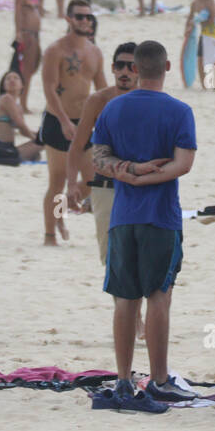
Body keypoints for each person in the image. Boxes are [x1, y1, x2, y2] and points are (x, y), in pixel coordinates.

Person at [91, 40, 197, 409]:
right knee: (158, 297)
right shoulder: (179, 111)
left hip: (123, 216)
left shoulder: (113, 108)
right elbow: (183, 164)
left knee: (124, 300)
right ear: (167, 66)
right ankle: (160, 378)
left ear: (134, 68)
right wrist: (145, 175)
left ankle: (123, 379)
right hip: (160, 216)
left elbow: (99, 157)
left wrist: (130, 174)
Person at [38, 0, 107, 245]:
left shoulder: (95, 52)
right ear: (68, 19)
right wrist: (65, 121)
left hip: (85, 122)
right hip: (58, 121)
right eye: (79, 16)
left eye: (88, 16)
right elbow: (49, 89)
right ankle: (49, 236)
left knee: (91, 182)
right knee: (56, 181)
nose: (85, 21)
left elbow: (102, 91)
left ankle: (60, 211)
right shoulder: (55, 51)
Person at [67, 41, 140, 269]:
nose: (125, 71)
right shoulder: (98, 100)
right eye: (120, 65)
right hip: (105, 186)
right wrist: (71, 185)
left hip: (140, 185)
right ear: (113, 68)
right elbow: (77, 146)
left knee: (139, 258)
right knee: (111, 259)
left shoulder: (148, 101)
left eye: (132, 66)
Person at [0, 71, 41, 163]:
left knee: (41, 145)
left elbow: (23, 131)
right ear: (4, 86)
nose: (12, 80)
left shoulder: (18, 107)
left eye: (16, 78)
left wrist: (37, 135)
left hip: (5, 149)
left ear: (22, 85)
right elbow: (21, 125)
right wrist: (38, 139)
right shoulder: (6, 98)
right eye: (8, 79)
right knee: (46, 143)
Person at [13, 0, 44, 111]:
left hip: (33, 32)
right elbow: (18, 7)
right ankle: (22, 103)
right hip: (27, 32)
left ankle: (23, 101)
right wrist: (19, 31)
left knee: (30, 68)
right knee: (26, 69)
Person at [183, 0, 215, 88]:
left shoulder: (209, 2)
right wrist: (188, 29)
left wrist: (201, 18)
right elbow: (190, 18)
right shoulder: (194, 4)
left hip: (214, 34)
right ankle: (204, 86)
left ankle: (214, 84)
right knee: (200, 59)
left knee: (213, 60)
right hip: (204, 35)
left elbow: (214, 18)